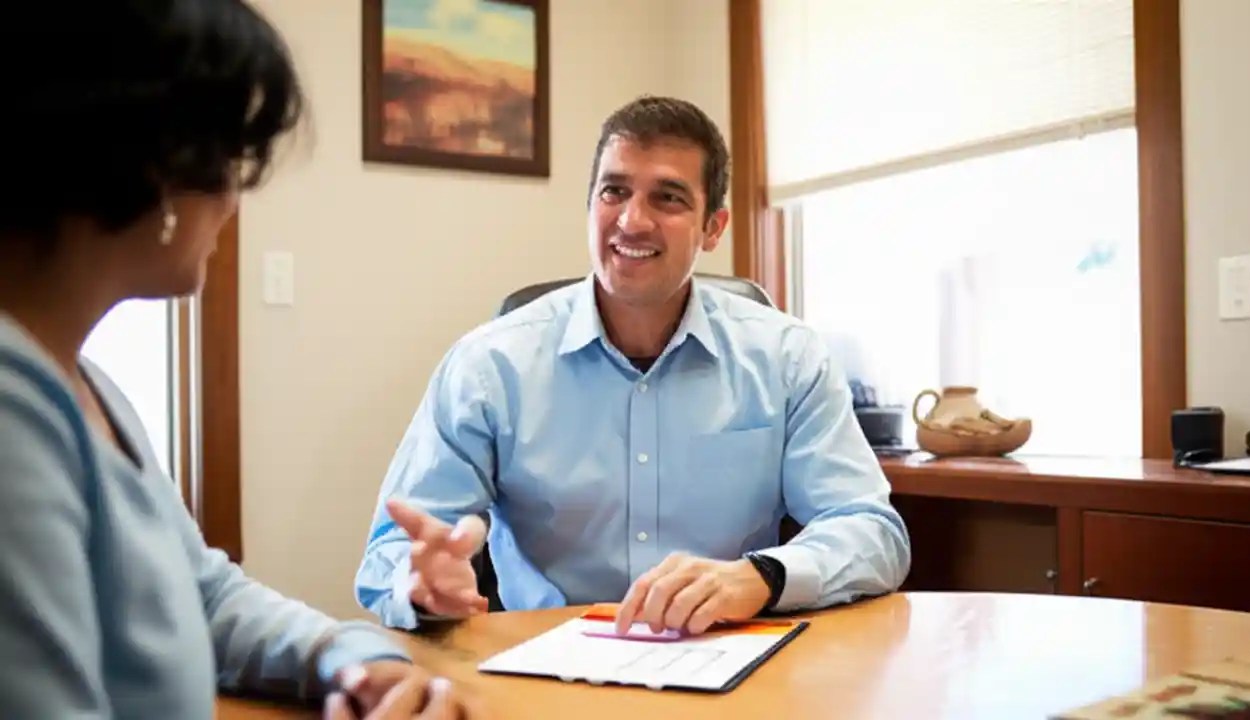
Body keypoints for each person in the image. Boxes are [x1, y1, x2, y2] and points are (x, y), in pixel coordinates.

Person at [0, 2, 467, 718]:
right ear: (149, 165)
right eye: (230, 159)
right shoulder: (12, 416)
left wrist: (353, 657)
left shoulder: (85, 385)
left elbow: (207, 595)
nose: (234, 199)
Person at [356, 96, 911, 636]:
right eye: (613, 191)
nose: (632, 220)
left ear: (713, 228)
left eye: (667, 198)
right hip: (543, 673)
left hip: (723, 656)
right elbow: (391, 553)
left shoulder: (788, 358)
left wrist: (760, 577)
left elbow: (874, 533)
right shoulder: (490, 365)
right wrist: (420, 584)